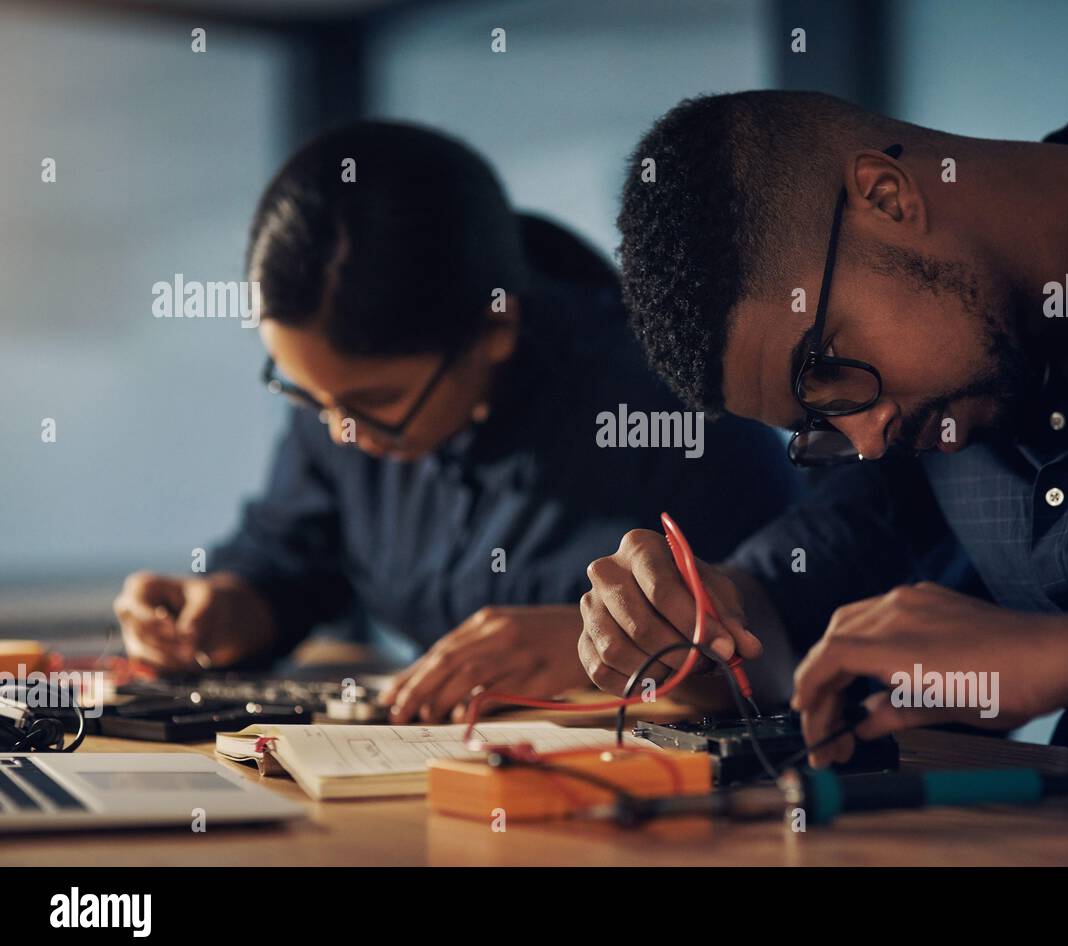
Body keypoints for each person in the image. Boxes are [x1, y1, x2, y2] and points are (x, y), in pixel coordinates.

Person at [580, 91, 1068, 772]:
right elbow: (783, 614)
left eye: (826, 366)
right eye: (817, 424)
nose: (865, 439)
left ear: (888, 197)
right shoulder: (935, 417)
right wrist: (684, 616)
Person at [113, 121, 797, 723]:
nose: (342, 434)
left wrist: (606, 642)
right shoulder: (341, 407)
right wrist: (225, 607)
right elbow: (292, 557)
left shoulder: (672, 403)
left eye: (372, 403)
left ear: (494, 327)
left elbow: (785, 639)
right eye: (310, 397)